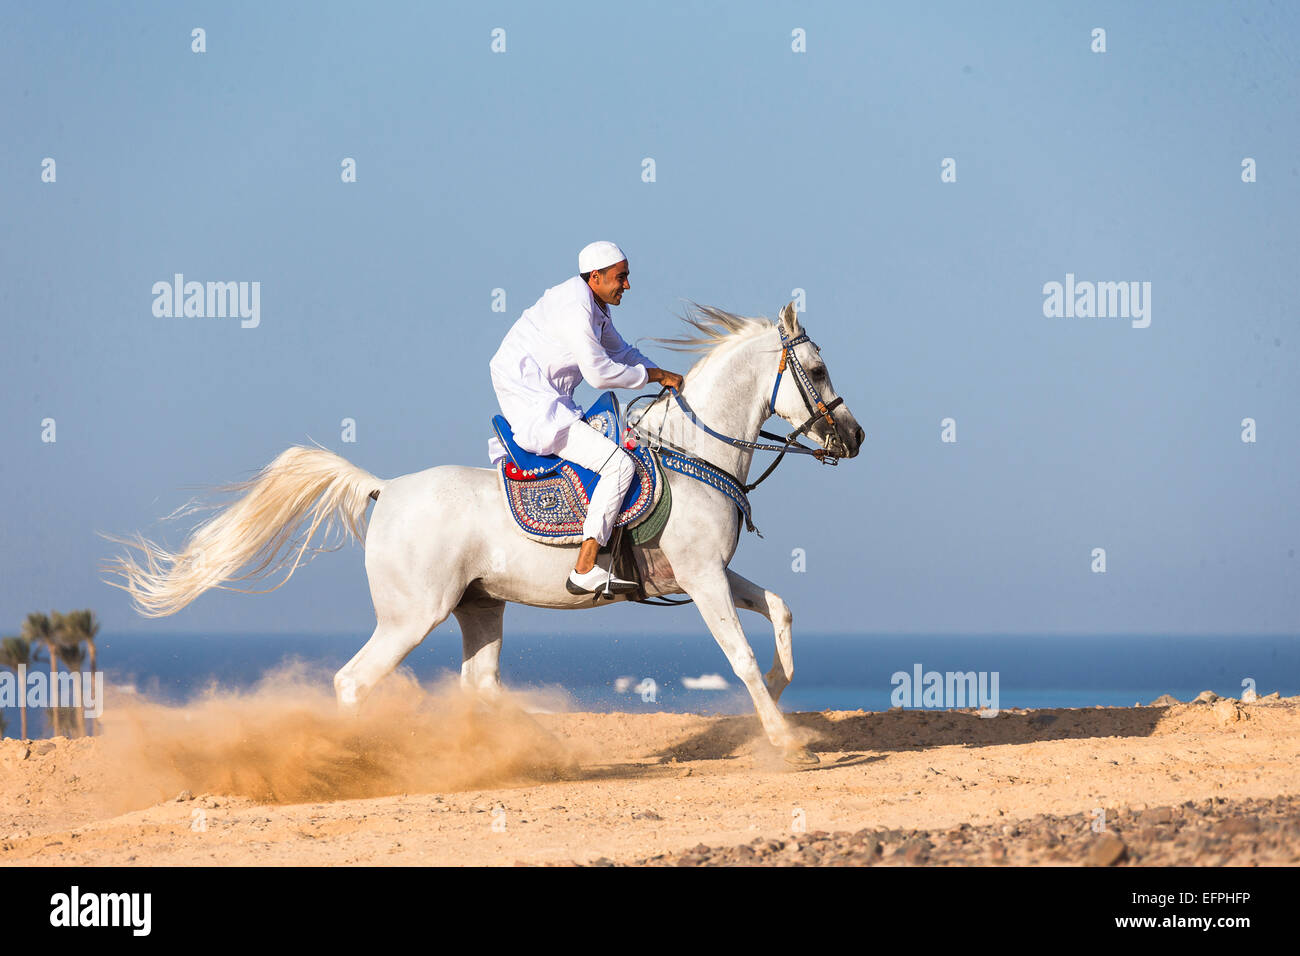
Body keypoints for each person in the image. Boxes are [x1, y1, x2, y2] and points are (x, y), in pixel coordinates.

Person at [488, 241, 684, 594]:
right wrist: (656, 377)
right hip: (533, 400)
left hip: (550, 396)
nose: (627, 285)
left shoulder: (595, 305)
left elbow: (622, 352)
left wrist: (667, 374)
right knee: (619, 465)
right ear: (596, 277)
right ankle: (585, 566)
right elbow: (598, 373)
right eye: (621, 277)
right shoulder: (575, 307)